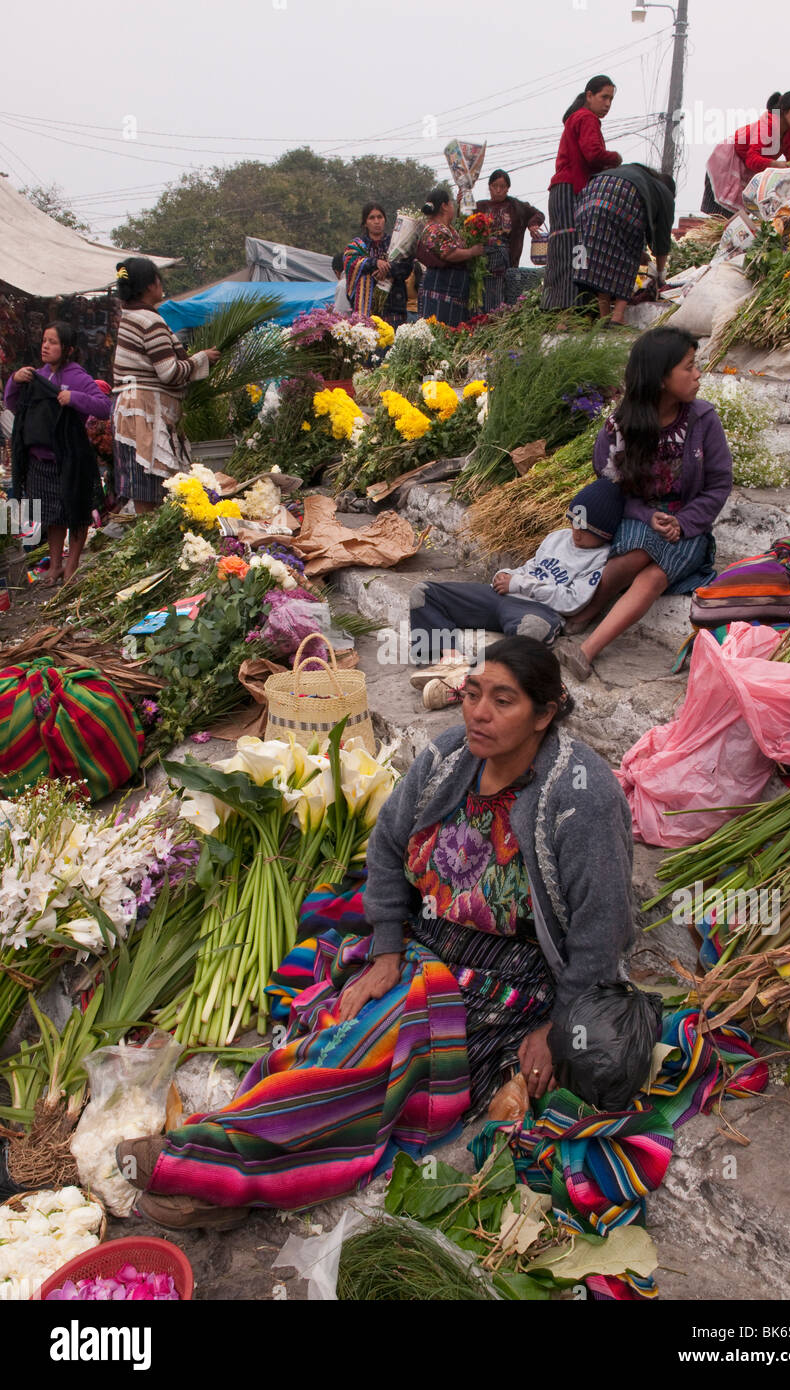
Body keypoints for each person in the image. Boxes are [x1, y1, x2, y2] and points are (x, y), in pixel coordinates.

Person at [116, 636, 636, 1229]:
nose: (479, 712)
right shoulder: (449, 760)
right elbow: (388, 847)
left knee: (386, 1049)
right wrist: (387, 950)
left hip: (513, 979)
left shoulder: (581, 798)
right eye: (471, 694)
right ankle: (240, 1165)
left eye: (503, 700)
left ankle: (208, 1164)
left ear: (544, 714)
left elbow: (602, 930)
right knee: (339, 1030)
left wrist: (556, 1027)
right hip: (429, 943)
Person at [567, 327, 733, 680]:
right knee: (640, 552)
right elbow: (612, 486)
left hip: (688, 529)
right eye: (689, 367)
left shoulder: (703, 420)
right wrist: (646, 514)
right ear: (660, 378)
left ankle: (586, 650)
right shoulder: (621, 427)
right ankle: (589, 608)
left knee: (654, 575)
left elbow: (719, 485)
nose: (698, 374)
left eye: (696, 365)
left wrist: (685, 521)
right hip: (638, 518)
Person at [408, 478, 623, 708]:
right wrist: (505, 575)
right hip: (501, 596)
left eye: (586, 529)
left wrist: (521, 584)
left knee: (532, 630)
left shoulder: (600, 559)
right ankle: (450, 661)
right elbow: (529, 568)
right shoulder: (558, 537)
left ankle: (468, 685)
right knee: (424, 593)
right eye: (574, 522)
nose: (577, 532)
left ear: (605, 534)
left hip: (537, 610)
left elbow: (571, 602)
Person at [4, 322, 110, 584]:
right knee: (52, 516)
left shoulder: (77, 376)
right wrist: (14, 381)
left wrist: (73, 397)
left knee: (75, 512)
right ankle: (55, 565)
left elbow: (103, 407)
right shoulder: (36, 376)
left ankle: (72, 565)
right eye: (44, 340)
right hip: (40, 460)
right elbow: (13, 404)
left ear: (68, 348)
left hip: (70, 459)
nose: (45, 345)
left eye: (52, 342)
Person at [112, 257, 220, 514]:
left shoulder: (131, 316)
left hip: (134, 411)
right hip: (144, 415)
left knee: (145, 491)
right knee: (149, 494)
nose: (162, 284)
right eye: (158, 279)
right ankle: (146, 546)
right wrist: (201, 359)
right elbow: (169, 372)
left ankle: (144, 543)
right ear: (149, 285)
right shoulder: (150, 321)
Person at [542, 76, 621, 312]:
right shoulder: (587, 118)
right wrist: (615, 159)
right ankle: (570, 314)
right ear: (589, 96)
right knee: (576, 250)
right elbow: (593, 154)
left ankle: (557, 311)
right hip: (573, 189)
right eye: (603, 97)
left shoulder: (575, 119)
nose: (607, 104)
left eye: (611, 99)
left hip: (560, 191)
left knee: (562, 250)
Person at [572, 164, 675, 325]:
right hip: (622, 195)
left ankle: (604, 317)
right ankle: (618, 316)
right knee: (628, 253)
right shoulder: (664, 194)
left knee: (601, 259)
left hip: (587, 200)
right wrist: (661, 274)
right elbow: (662, 240)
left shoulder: (636, 175)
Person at [703, 91, 790, 216]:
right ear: (784, 109)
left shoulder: (789, 136)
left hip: (745, 170)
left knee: (737, 219)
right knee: (720, 218)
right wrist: (777, 165)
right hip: (726, 165)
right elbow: (752, 160)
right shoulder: (766, 128)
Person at [474, 169, 544, 312]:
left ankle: (496, 318)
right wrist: (461, 199)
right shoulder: (480, 206)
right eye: (495, 186)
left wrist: (532, 225)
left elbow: (538, 214)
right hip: (481, 259)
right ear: (489, 187)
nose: (498, 190)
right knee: (480, 292)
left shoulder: (516, 207)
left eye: (503, 187)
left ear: (508, 189)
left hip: (505, 259)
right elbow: (463, 217)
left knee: (501, 293)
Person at [415, 188, 486, 327]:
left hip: (454, 291)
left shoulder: (448, 229)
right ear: (444, 206)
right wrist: (472, 252)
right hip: (440, 291)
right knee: (440, 333)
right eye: (452, 204)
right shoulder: (434, 229)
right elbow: (448, 253)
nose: (453, 207)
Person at [342, 203, 411, 327]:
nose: (376, 221)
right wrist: (375, 263)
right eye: (372, 218)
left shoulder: (395, 243)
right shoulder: (358, 245)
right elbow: (350, 261)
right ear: (365, 223)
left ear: (385, 219)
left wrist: (386, 270)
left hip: (394, 307)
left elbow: (406, 266)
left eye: (380, 217)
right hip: (366, 309)